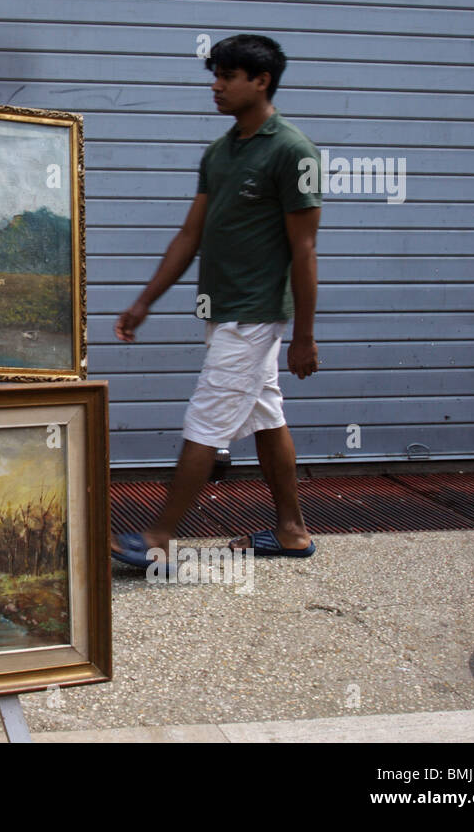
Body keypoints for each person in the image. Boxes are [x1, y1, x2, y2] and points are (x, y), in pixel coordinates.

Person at [111, 34, 322, 568]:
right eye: (216, 74)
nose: (217, 85)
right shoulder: (220, 152)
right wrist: (145, 302)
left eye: (228, 76)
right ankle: (292, 531)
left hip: (255, 315)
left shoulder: (293, 151)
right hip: (222, 310)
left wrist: (303, 335)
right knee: (265, 415)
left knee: (205, 420)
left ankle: (157, 536)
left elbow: (305, 249)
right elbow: (190, 235)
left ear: (262, 81)